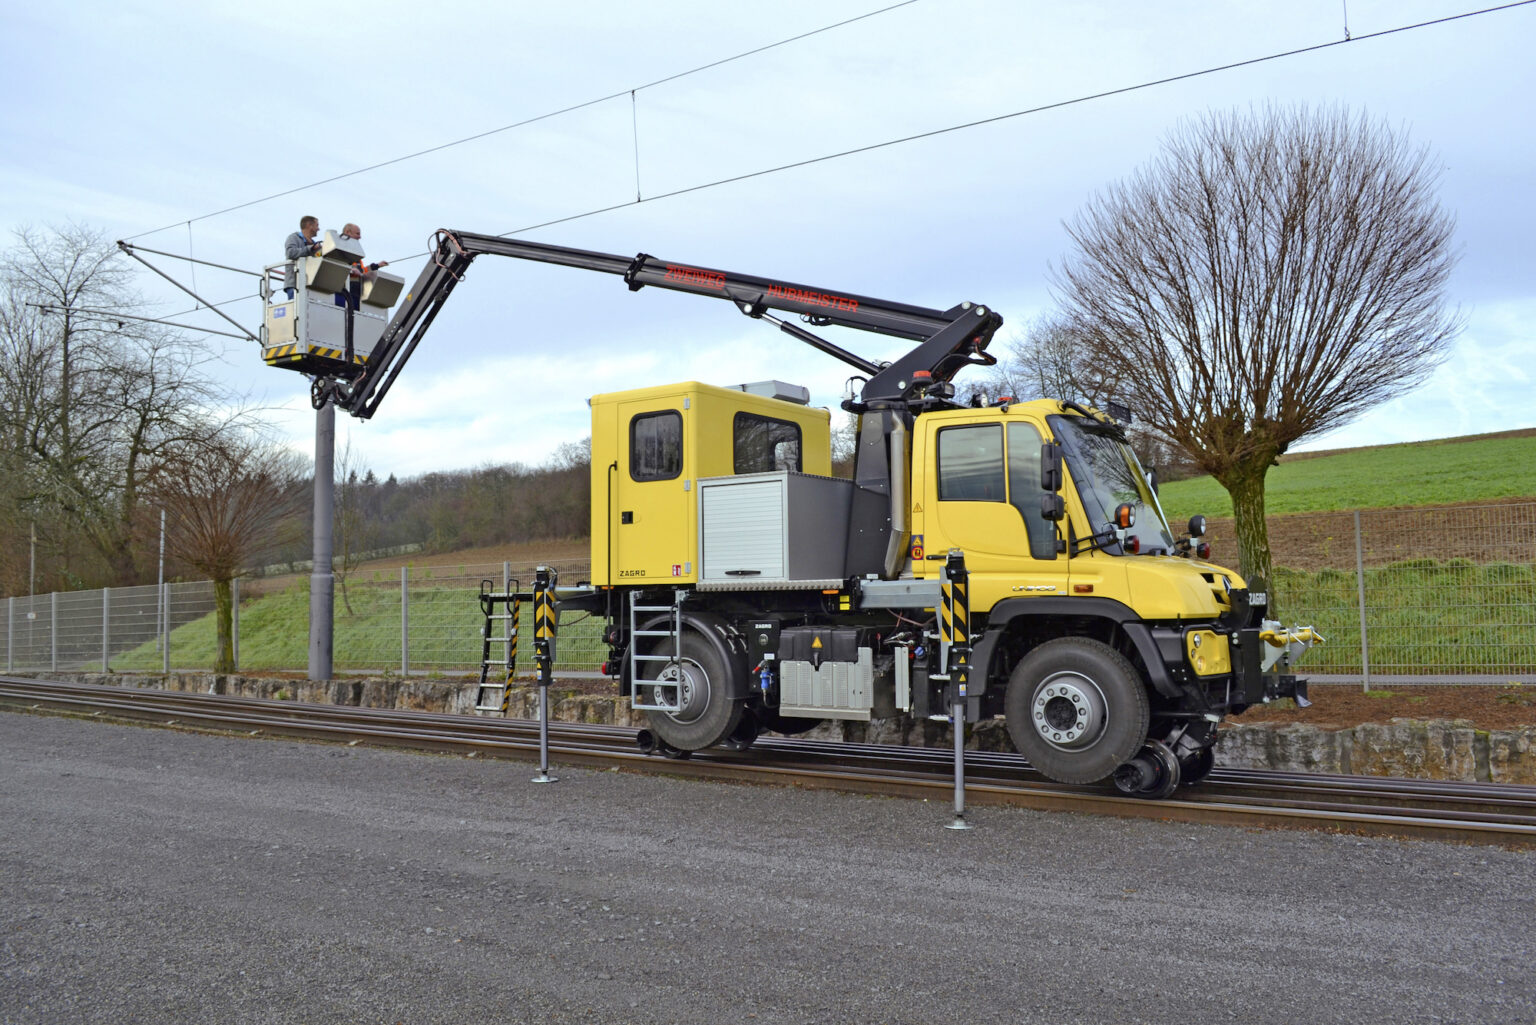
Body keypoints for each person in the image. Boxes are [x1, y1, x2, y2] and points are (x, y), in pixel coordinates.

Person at [333, 223, 390, 309]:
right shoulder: (338, 249)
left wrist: (376, 266)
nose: (360, 237)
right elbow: (336, 267)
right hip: (342, 293)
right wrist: (351, 270)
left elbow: (362, 272)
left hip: (355, 296)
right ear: (348, 232)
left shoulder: (356, 253)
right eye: (357, 234)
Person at [282, 216, 321, 298]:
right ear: (309, 225)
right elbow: (290, 253)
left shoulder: (315, 245)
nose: (318, 229)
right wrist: (310, 249)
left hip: (311, 286)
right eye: (317, 225)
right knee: (297, 309)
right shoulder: (293, 238)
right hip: (295, 284)